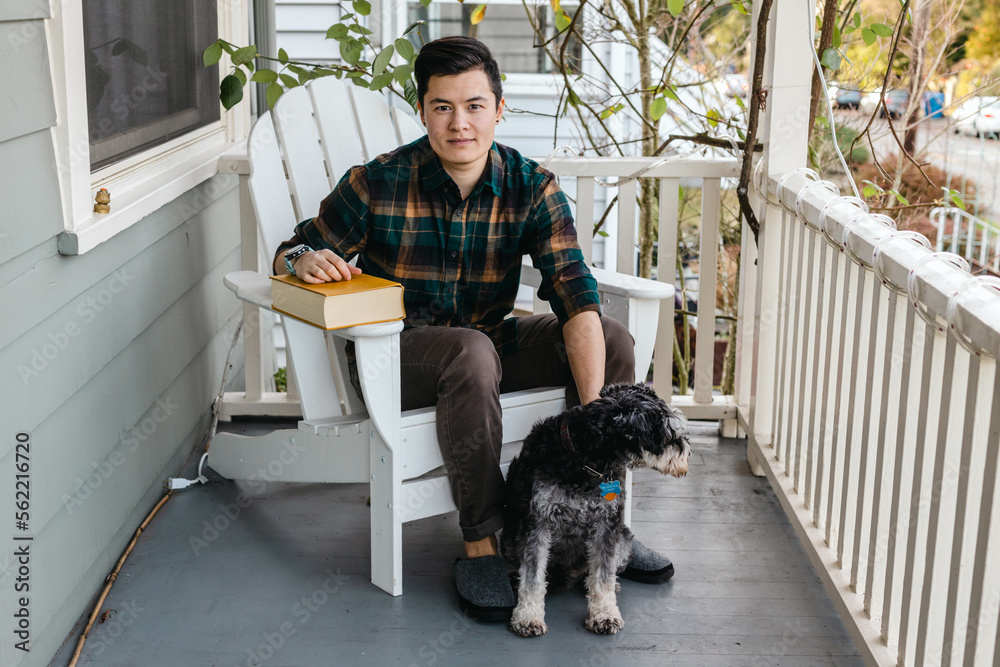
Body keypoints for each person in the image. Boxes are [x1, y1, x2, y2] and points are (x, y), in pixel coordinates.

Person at [273, 36, 674, 620]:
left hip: (487, 347)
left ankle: (607, 523)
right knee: (471, 349)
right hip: (397, 358)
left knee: (608, 336)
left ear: (499, 107)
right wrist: (300, 261)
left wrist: (592, 421)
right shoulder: (378, 183)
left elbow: (573, 293)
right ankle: (483, 543)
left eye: (475, 105)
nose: (460, 123)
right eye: (443, 107)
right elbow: (293, 248)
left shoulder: (530, 186)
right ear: (423, 111)